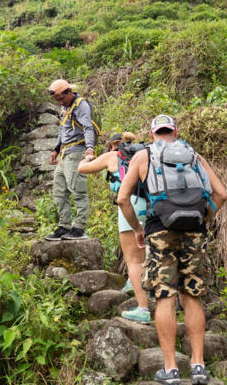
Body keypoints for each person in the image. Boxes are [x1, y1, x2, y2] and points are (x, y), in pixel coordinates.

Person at [118, 114, 227, 385]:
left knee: (164, 296)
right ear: (175, 132)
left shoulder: (143, 156)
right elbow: (221, 195)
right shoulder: (193, 155)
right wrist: (204, 219)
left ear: (153, 133)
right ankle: (198, 366)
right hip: (195, 231)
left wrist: (137, 229)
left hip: (159, 230)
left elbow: (122, 198)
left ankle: (170, 369)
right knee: (192, 296)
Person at [78, 132, 151, 323]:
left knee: (133, 259)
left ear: (112, 146)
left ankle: (143, 308)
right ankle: (134, 284)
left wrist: (87, 157)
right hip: (149, 204)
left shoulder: (112, 156)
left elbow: (82, 169)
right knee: (142, 253)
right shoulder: (141, 155)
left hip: (130, 203)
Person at [45, 79, 97, 241]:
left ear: (69, 92)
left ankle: (79, 227)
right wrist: (56, 148)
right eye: (57, 100)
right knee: (59, 192)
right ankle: (64, 226)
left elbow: (88, 127)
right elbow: (63, 129)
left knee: (78, 190)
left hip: (77, 151)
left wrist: (90, 148)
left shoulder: (81, 105)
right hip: (64, 153)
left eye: (61, 98)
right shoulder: (64, 107)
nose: (60, 102)